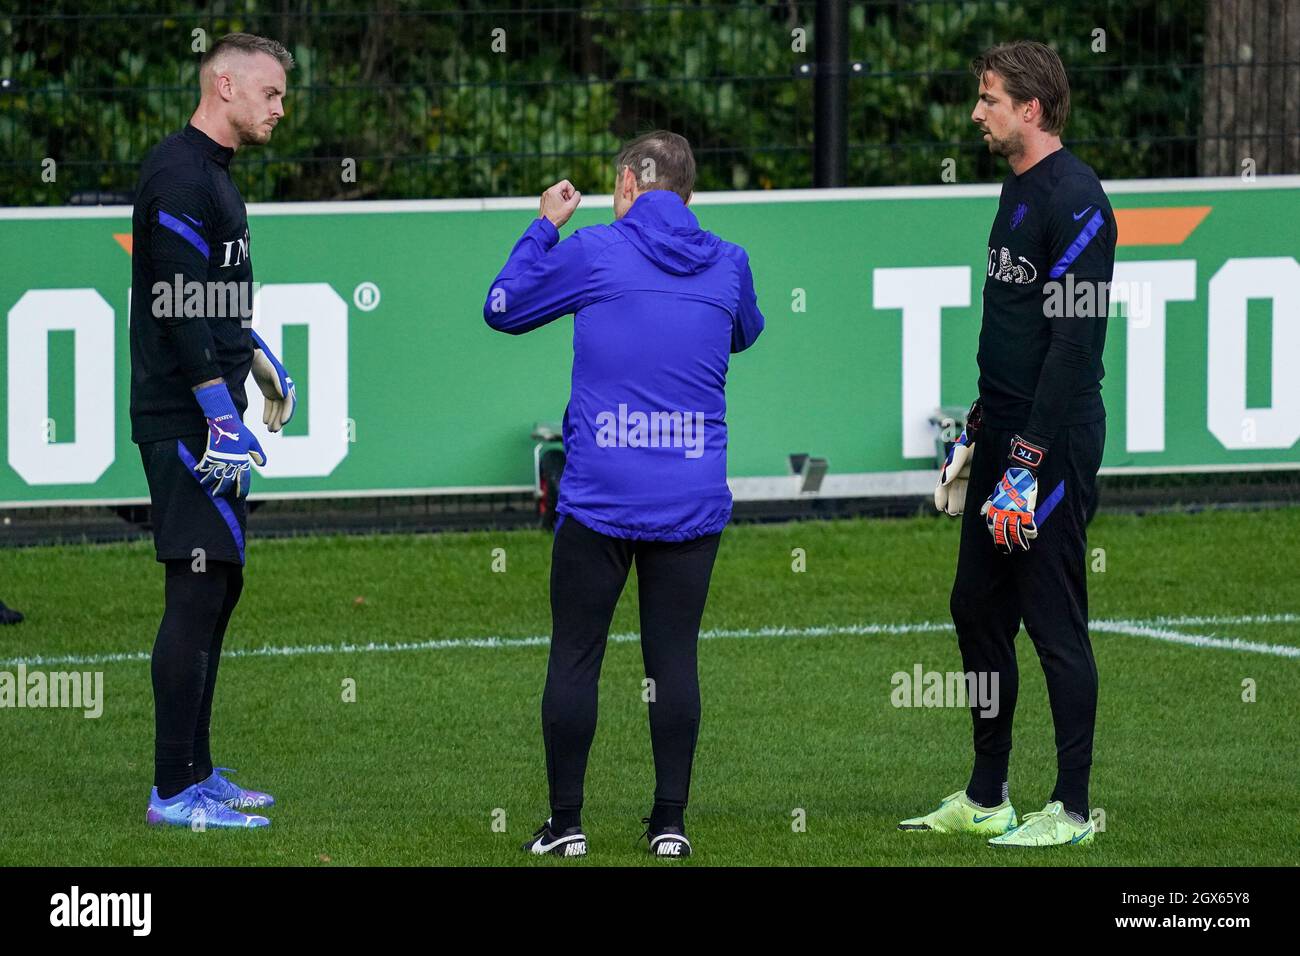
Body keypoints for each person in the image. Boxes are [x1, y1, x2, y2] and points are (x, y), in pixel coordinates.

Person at [483, 131, 765, 858]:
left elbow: (502, 305)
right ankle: (669, 824)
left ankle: (566, 825)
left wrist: (545, 225)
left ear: (632, 185)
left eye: (616, 188)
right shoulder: (730, 263)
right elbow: (743, 333)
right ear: (688, 192)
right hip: (691, 493)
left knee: (576, 654)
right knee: (673, 659)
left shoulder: (595, 250)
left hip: (601, 493)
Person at [903, 41, 1115, 847]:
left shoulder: (1079, 199)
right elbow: (1016, 331)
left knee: (1053, 618)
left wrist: (1025, 462)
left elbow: (1074, 346)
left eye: (989, 99)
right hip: (1003, 435)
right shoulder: (1016, 187)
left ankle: (1070, 809)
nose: (977, 113)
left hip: (1051, 445)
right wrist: (980, 430)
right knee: (975, 607)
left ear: (1031, 108)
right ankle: (988, 794)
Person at [130, 33, 297, 829]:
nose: (280, 108)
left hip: (210, 411)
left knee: (219, 585)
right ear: (223, 83)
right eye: (269, 93)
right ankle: (172, 790)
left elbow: (211, 298)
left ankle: (196, 771)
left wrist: (255, 358)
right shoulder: (177, 174)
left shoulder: (214, 178)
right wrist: (220, 416)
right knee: (195, 589)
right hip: (186, 419)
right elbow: (174, 303)